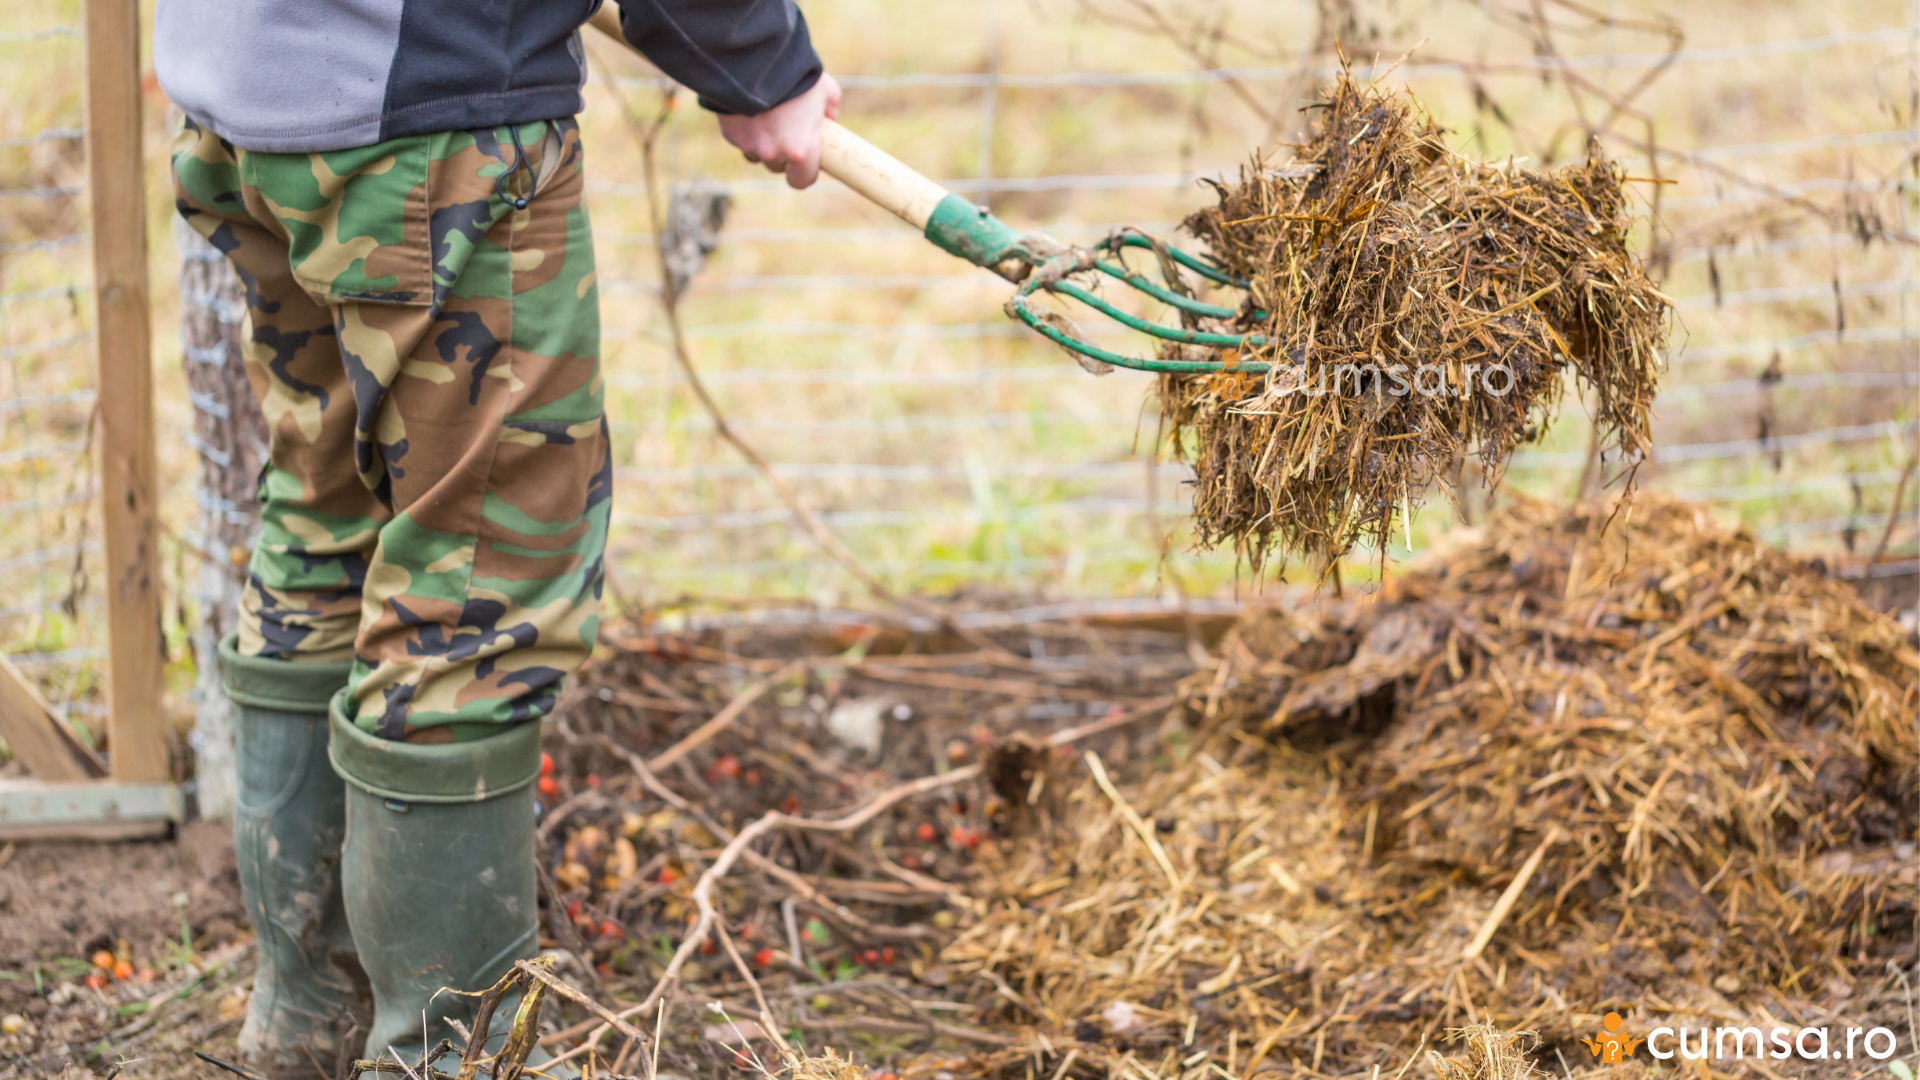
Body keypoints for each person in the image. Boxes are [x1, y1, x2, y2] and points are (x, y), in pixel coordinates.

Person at [153, 1, 839, 1075]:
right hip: (426, 118)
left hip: (241, 97)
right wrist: (759, 59)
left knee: (326, 519)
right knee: (474, 582)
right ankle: (451, 1060)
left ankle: (309, 1019)